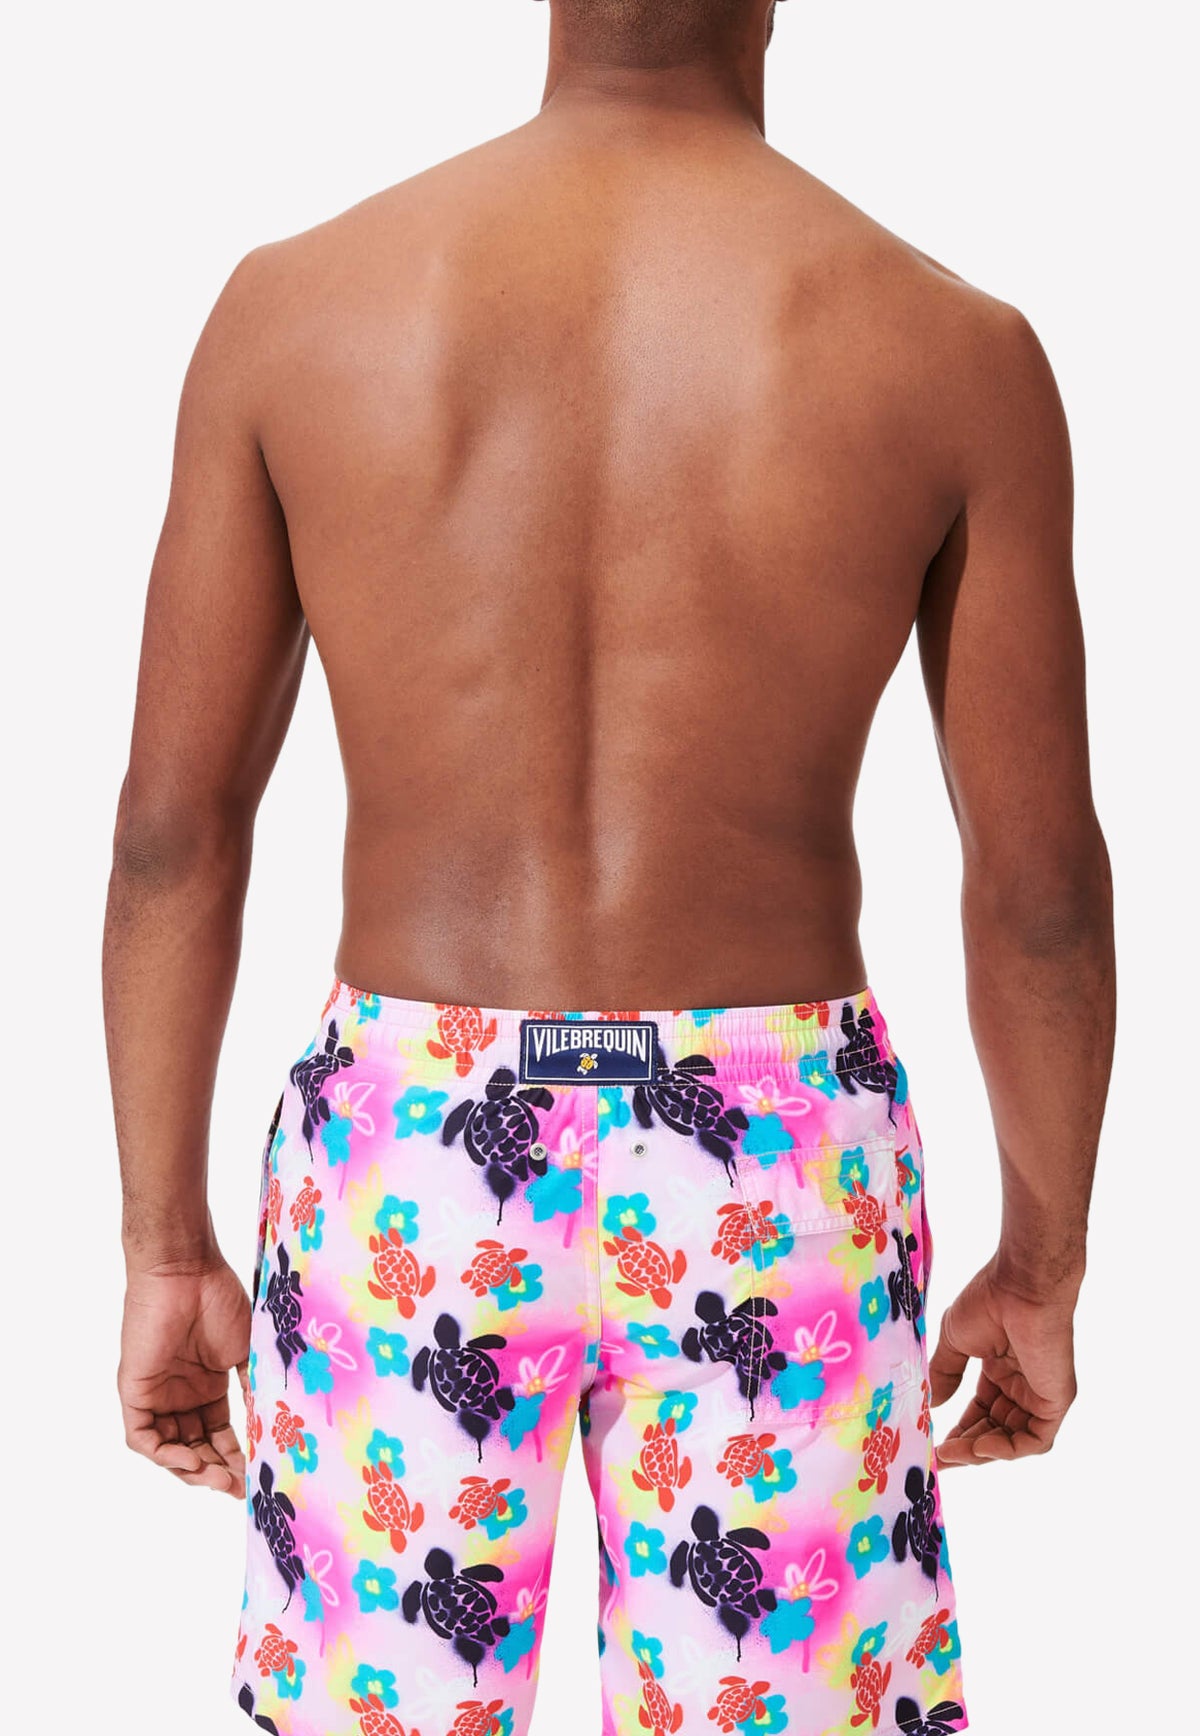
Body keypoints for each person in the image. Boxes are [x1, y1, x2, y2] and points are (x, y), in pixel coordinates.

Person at [103, 2, 1114, 1733]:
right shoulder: (954, 349)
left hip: (409, 1157)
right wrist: (1041, 1266)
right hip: (776, 1159)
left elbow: (170, 835)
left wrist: (160, 1244)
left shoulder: (294, 308)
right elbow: (1041, 898)